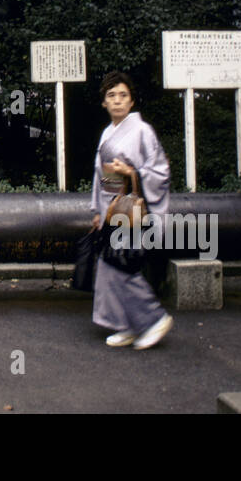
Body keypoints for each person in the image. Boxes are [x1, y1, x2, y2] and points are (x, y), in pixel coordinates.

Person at [89, 71, 174, 350]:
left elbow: (161, 170)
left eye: (123, 95)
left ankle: (153, 319)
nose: (117, 101)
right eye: (111, 96)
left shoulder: (142, 131)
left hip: (131, 207)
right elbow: (98, 176)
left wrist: (133, 172)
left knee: (121, 265)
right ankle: (124, 324)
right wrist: (98, 210)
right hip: (110, 206)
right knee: (108, 265)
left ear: (132, 100)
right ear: (104, 102)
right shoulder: (106, 133)